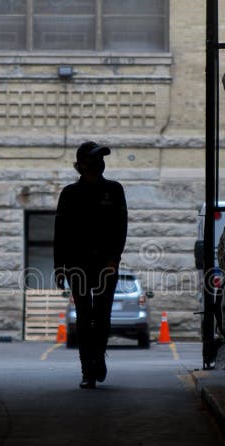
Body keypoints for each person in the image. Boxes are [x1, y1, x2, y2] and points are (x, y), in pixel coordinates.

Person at [54, 141, 128, 389]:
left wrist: (114, 259)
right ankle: (88, 370)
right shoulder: (70, 194)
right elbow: (60, 233)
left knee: (103, 316)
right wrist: (59, 267)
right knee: (84, 318)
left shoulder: (114, 190)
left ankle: (98, 356)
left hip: (106, 263)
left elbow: (121, 228)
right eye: (95, 159)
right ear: (82, 164)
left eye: (101, 159)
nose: (100, 163)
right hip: (77, 264)